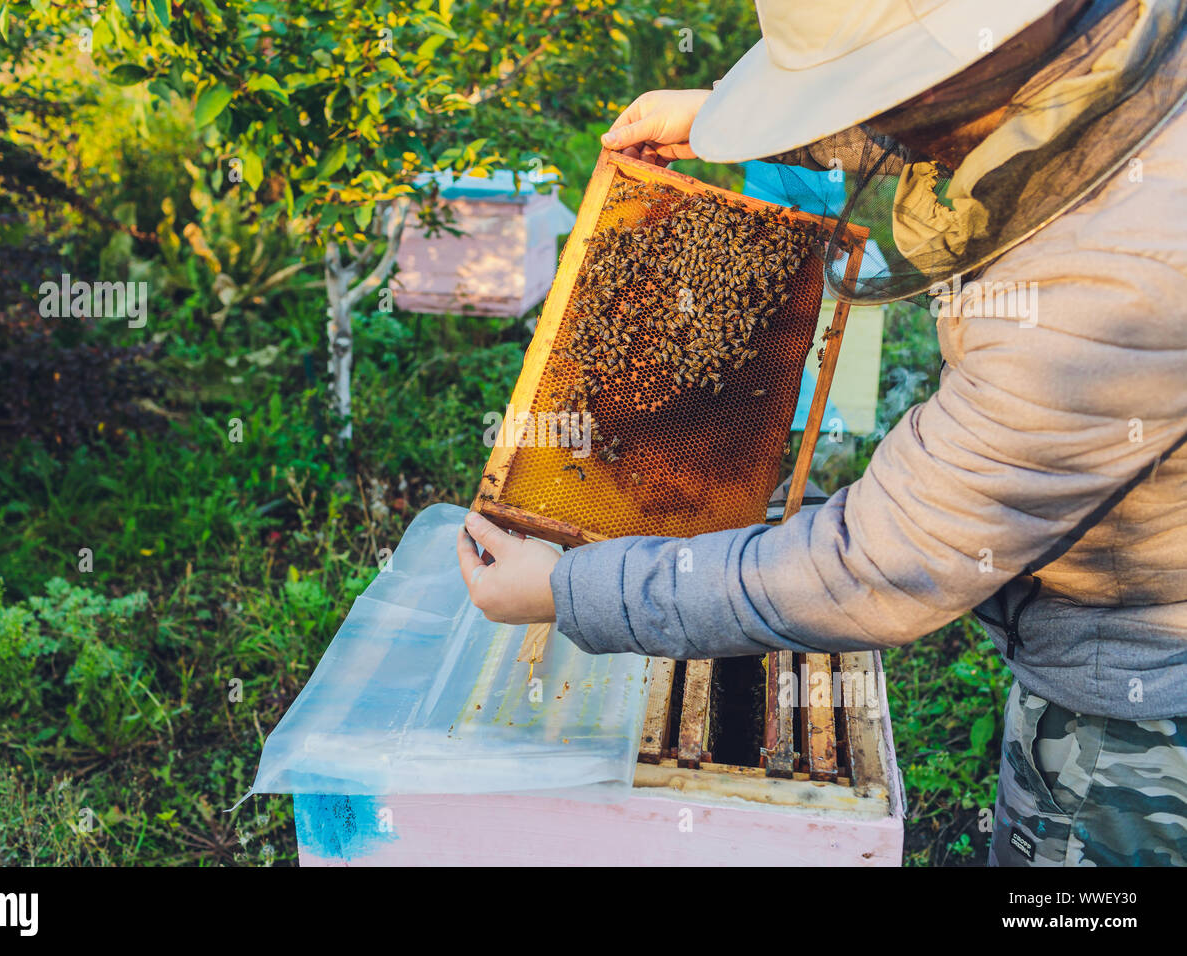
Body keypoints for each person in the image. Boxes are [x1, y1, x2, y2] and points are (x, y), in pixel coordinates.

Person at [457, 0, 1187, 866]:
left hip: (1146, 708)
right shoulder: (1127, 56)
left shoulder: (1099, 297)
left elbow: (876, 567)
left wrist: (571, 590)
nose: (880, 125)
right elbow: (998, 112)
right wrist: (739, 121)